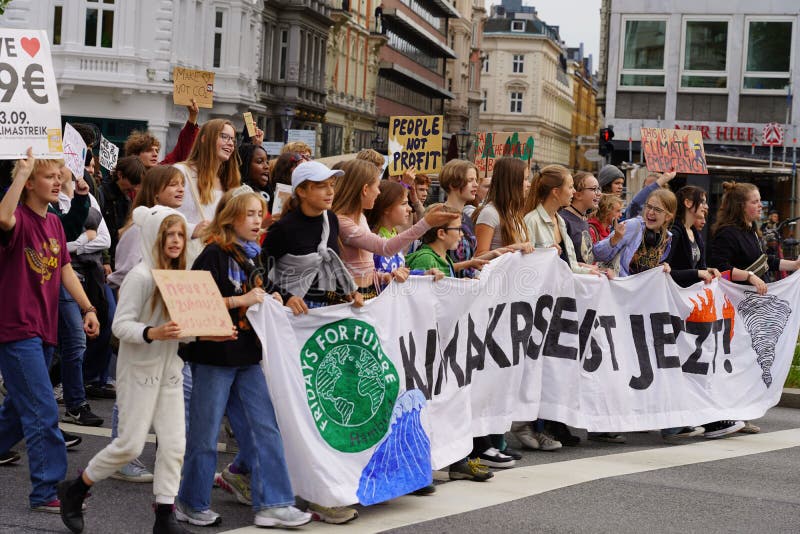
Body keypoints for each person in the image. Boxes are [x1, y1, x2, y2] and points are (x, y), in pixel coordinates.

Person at [57, 206, 229, 534]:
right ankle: (76, 489)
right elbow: (120, 326)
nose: (175, 241)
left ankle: (165, 516)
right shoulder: (139, 276)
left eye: (180, 234)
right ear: (153, 237)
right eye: (168, 235)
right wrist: (153, 332)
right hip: (138, 371)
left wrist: (210, 332)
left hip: (170, 371)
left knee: (175, 445)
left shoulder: (181, 276)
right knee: (130, 446)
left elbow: (184, 331)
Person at [177, 188, 311, 528]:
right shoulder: (212, 255)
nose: (256, 221)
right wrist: (244, 300)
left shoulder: (251, 255)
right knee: (205, 436)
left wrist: (280, 297)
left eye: (258, 214)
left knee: (265, 430)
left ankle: (274, 504)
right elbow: (194, 306)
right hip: (213, 357)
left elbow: (260, 290)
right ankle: (191, 503)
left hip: (247, 356)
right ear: (229, 217)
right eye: (249, 214)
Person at [0, 150, 99, 512]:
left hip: (44, 329)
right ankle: (46, 490)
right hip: (16, 329)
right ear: (29, 183)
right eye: (49, 176)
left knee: (18, 408)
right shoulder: (17, 218)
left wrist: (88, 308)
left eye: (60, 175)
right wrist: (21, 172)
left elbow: (64, 270)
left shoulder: (55, 222)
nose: (58, 181)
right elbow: (2, 217)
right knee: (43, 409)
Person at [519, 164, 603, 449]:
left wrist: (592, 271)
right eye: (570, 186)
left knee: (552, 365)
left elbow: (569, 263)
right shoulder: (531, 221)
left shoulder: (560, 221)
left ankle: (548, 424)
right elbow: (527, 263)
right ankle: (529, 425)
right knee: (536, 364)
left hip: (558, 304)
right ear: (556, 192)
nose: (573, 191)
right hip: (539, 305)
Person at [708, 182, 800, 435]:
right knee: (735, 364)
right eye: (755, 202)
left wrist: (793, 265)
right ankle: (727, 412)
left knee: (749, 364)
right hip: (735, 309)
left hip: (752, 309)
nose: (760, 206)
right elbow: (719, 268)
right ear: (741, 206)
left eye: (760, 201)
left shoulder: (751, 231)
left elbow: (764, 262)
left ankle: (742, 411)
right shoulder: (727, 233)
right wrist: (749, 276)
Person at [334, 159, 459, 299]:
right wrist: (426, 223)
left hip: (368, 295)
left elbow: (368, 271)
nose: (378, 192)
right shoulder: (343, 222)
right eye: (377, 186)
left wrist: (389, 276)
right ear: (365, 189)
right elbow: (385, 248)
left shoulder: (360, 218)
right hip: (351, 298)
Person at [124, 100, 200, 168]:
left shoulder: (162, 172)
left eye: (157, 151)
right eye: (149, 150)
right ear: (135, 155)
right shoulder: (125, 176)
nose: (155, 154)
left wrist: (192, 116)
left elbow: (182, 148)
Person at [100, 155, 146, 262]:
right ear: (120, 175)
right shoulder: (102, 195)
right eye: (133, 182)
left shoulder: (126, 200)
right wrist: (105, 260)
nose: (134, 188)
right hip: (104, 257)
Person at [560, 170, 601, 264]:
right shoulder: (563, 220)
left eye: (598, 189)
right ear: (578, 195)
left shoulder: (583, 218)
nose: (599, 193)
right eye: (593, 189)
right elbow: (562, 259)